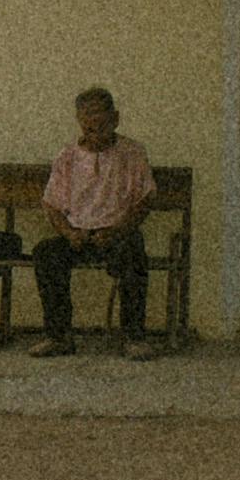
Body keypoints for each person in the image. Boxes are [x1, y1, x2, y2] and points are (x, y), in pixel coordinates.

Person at [33, 87, 164, 358]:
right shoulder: (67, 156)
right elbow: (52, 205)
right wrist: (69, 233)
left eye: (101, 123)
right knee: (46, 253)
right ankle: (59, 337)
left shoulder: (132, 153)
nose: (95, 131)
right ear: (80, 122)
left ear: (115, 119)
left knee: (133, 254)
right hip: (78, 234)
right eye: (88, 124)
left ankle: (134, 338)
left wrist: (118, 231)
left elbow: (144, 201)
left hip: (117, 233)